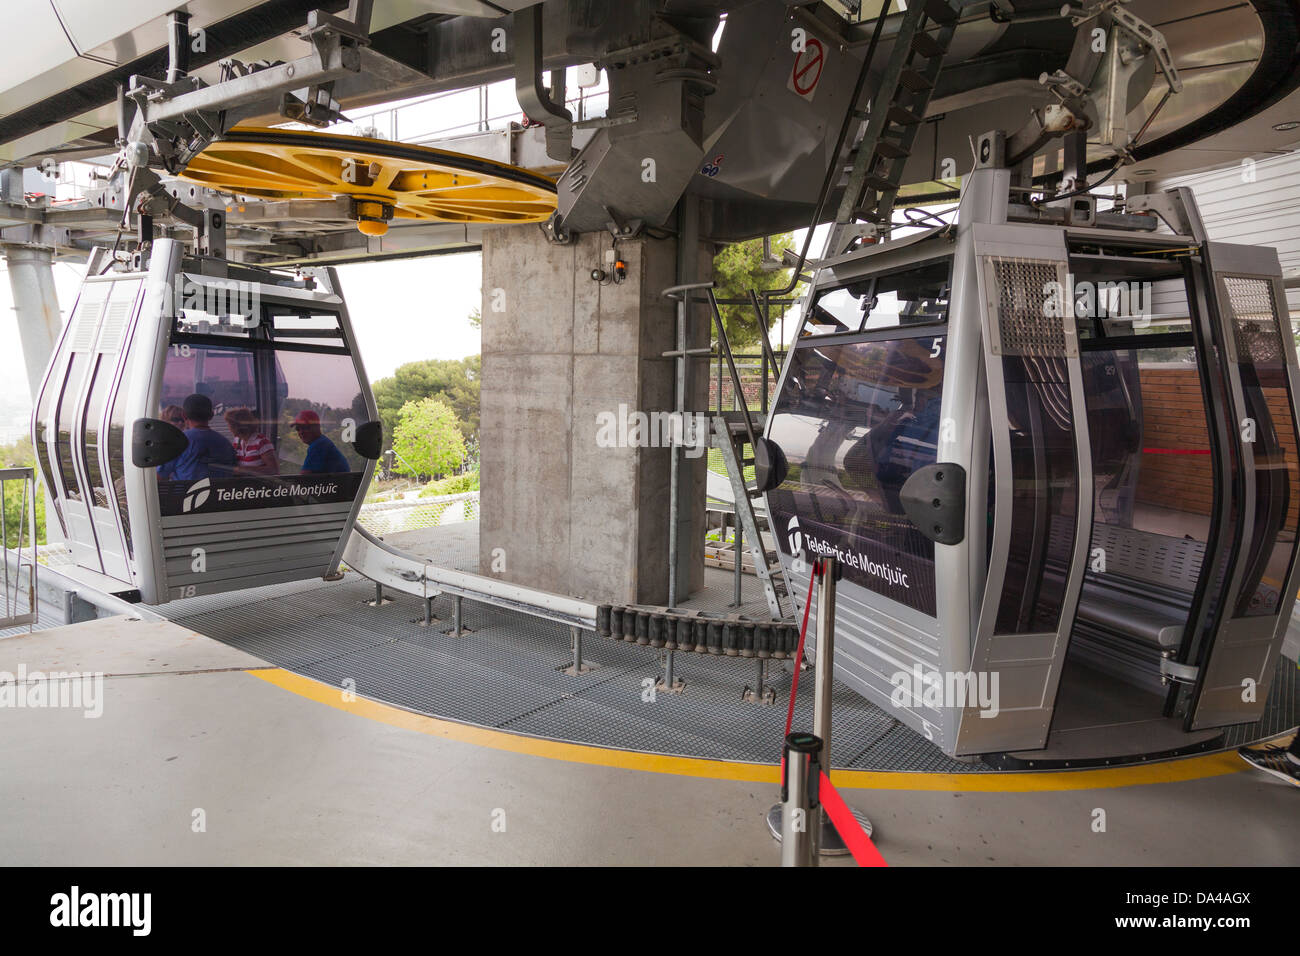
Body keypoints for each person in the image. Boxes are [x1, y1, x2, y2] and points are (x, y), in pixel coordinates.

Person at [163, 393, 237, 482]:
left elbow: (158, 477)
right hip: (220, 494)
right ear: (211, 415)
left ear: (184, 415)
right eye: (175, 420)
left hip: (185, 495)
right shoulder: (226, 443)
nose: (179, 423)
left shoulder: (177, 442)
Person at [292, 409, 351, 474]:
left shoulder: (318, 445)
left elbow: (303, 478)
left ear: (317, 427)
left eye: (305, 427)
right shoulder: (322, 442)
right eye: (298, 429)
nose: (301, 432)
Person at [224, 407, 279, 476]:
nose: (228, 427)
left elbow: (273, 470)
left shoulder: (262, 442)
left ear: (238, 426)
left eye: (229, 424)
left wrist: (244, 470)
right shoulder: (237, 441)